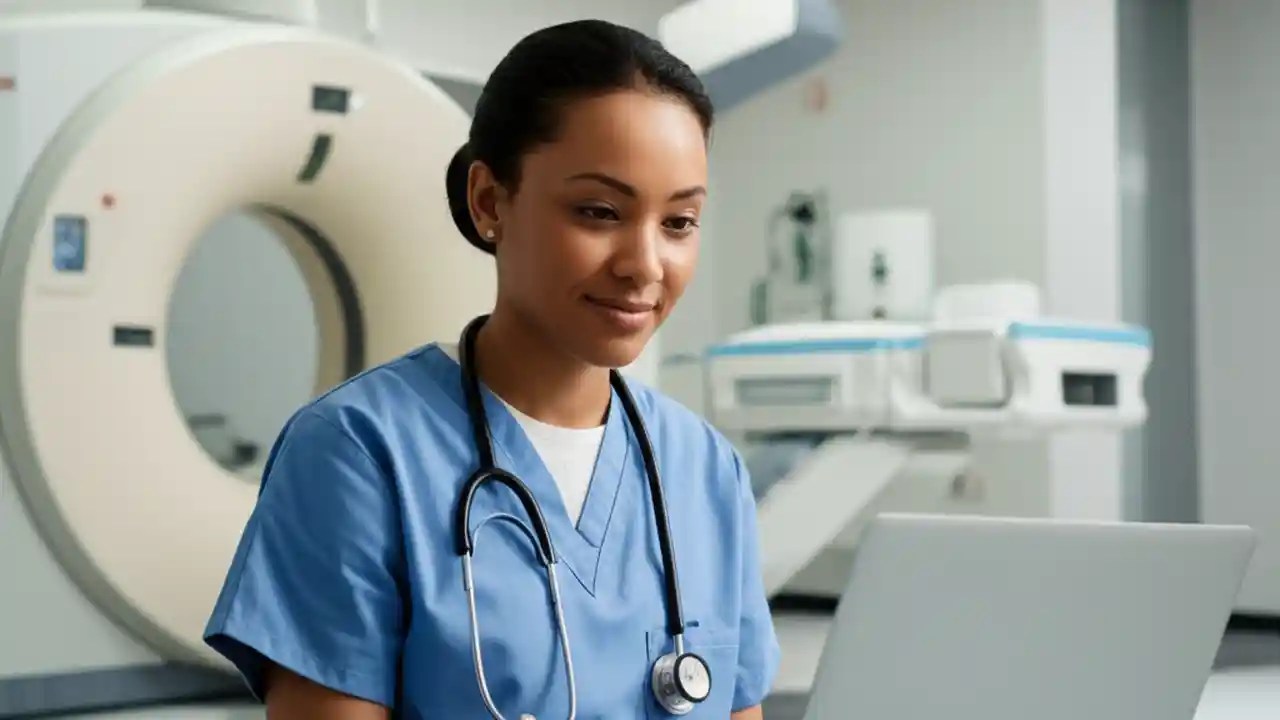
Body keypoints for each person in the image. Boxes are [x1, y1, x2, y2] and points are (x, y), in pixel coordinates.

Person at [203, 18, 780, 719]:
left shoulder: (705, 472)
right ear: (488, 202)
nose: (644, 266)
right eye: (598, 212)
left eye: (679, 223)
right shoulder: (359, 452)